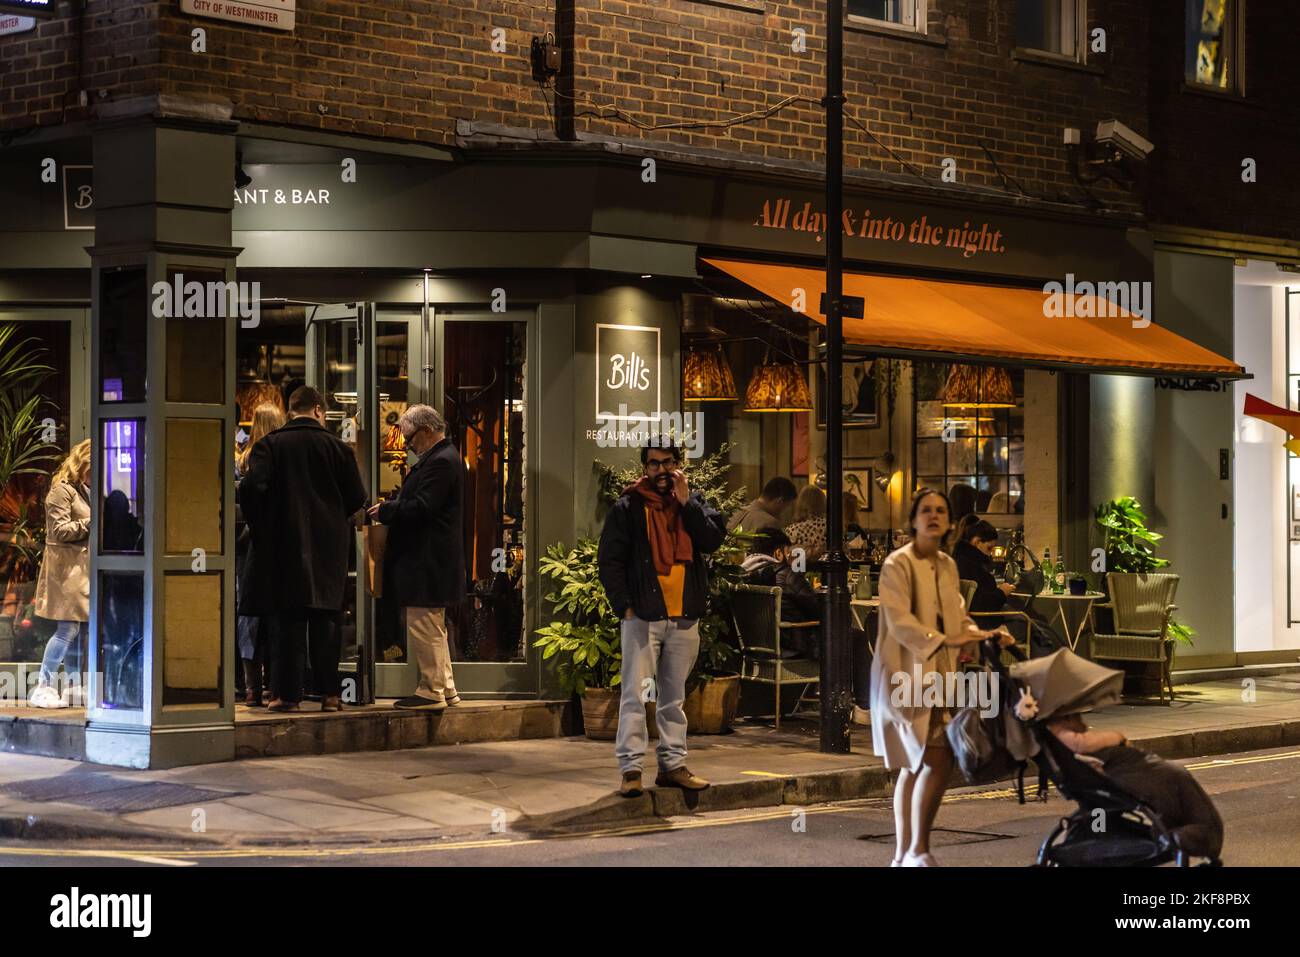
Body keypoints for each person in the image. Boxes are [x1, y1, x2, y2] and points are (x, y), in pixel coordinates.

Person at [871, 487, 1011, 866]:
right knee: (933, 756)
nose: (933, 516)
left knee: (923, 761)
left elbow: (959, 616)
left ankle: (907, 853)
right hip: (905, 675)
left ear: (949, 522)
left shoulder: (948, 566)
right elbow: (901, 623)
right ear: (914, 519)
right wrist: (945, 639)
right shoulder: (896, 565)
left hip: (941, 675)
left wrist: (983, 635)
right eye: (926, 510)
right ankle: (915, 850)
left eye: (941, 511)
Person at [598, 436, 727, 797]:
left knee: (674, 697)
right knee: (635, 695)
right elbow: (609, 560)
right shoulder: (628, 506)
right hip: (643, 616)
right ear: (645, 468)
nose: (661, 471)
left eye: (667, 463)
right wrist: (623, 605)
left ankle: (673, 765)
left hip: (684, 616)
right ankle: (631, 769)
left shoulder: (691, 502)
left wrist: (688, 504)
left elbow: (714, 539)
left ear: (678, 465)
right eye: (653, 464)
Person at [240, 386, 367, 713]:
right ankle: (329, 695)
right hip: (329, 551)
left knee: (286, 624)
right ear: (319, 411)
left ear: (292, 411)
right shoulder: (339, 449)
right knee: (327, 624)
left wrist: (262, 525)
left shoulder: (269, 446)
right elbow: (356, 498)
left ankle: (287, 696)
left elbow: (252, 491)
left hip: (283, 548)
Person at [367, 404, 466, 711]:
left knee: (423, 623)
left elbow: (423, 506)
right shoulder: (444, 458)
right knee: (432, 625)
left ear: (426, 431)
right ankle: (446, 687)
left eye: (409, 436)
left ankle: (431, 689)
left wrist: (387, 510)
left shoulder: (440, 462)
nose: (407, 443)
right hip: (432, 559)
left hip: (427, 559)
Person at [1046, 713, 1224, 859]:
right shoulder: (1061, 732)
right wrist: (1117, 737)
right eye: (1074, 717)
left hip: (1135, 771)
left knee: (1176, 775)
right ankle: (1197, 835)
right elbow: (1080, 744)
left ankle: (1197, 833)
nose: (1081, 721)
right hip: (1138, 774)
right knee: (1175, 775)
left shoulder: (1053, 735)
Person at [743, 528, 873, 722]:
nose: (790, 556)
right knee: (856, 637)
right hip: (796, 644)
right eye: (788, 552)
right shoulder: (786, 575)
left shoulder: (748, 575)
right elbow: (819, 611)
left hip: (762, 646)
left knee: (846, 635)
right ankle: (864, 707)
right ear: (778, 553)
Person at [28, 440, 92, 709]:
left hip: (82, 571)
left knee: (80, 629)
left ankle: (74, 686)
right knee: (67, 629)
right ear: (82, 463)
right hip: (66, 571)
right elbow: (61, 530)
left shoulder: (84, 491)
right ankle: (42, 686)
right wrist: (94, 521)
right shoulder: (61, 491)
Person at [234, 402, 285, 706]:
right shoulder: (284, 457)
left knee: (248, 614)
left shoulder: (243, 459)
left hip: (246, 548)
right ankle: (275, 685)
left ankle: (252, 686)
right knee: (278, 614)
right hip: (278, 546)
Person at [727, 476, 797, 537]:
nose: (784, 511)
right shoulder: (770, 523)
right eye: (787, 505)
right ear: (780, 501)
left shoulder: (736, 513)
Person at [785, 485, 827, 560]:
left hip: (799, 569)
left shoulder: (791, 530)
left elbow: (789, 559)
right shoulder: (829, 527)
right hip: (826, 569)